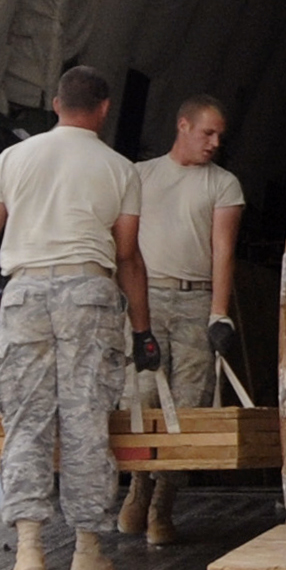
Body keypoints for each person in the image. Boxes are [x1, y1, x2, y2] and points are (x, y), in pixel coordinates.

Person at [0, 67, 140, 570]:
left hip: (25, 294)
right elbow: (127, 254)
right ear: (103, 108)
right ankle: (86, 553)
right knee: (85, 420)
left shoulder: (13, 159)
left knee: (27, 421)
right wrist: (144, 328)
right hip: (89, 291)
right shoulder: (120, 168)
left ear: (56, 104)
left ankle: (30, 552)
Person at [122, 95, 246, 546]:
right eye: (207, 133)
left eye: (219, 136)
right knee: (141, 400)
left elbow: (223, 251)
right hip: (147, 297)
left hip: (195, 302)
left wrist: (219, 313)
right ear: (182, 125)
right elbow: (123, 244)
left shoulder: (224, 184)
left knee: (188, 408)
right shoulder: (139, 176)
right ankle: (138, 489)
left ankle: (162, 506)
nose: (214, 143)